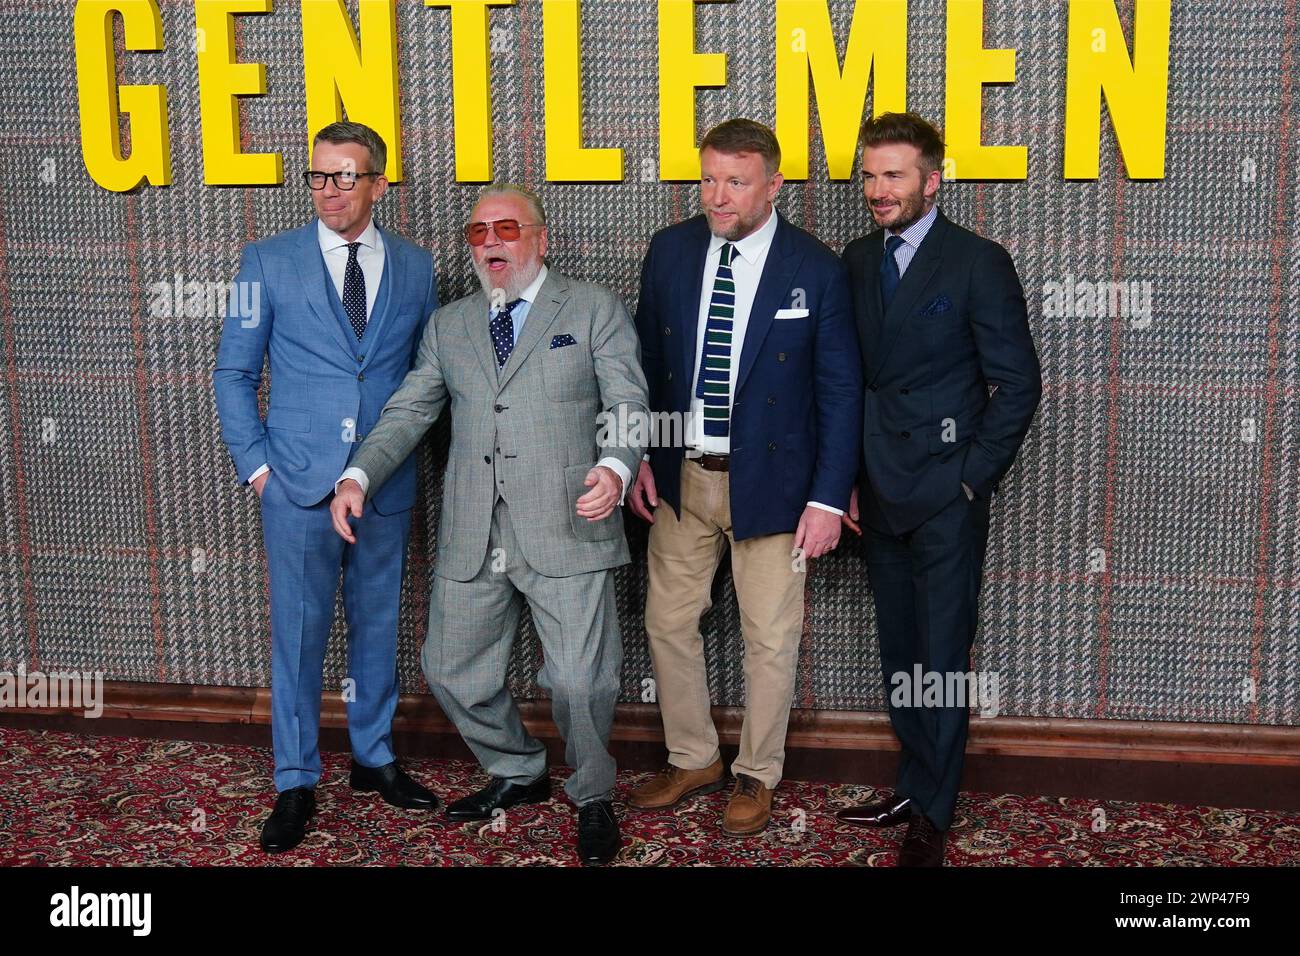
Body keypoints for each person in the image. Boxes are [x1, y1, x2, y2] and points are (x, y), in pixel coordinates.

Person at [329, 184, 648, 865]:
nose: (492, 242)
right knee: (449, 670)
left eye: (507, 228)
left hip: (569, 522)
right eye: (478, 233)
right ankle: (519, 769)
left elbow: (628, 401)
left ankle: (592, 794)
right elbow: (410, 412)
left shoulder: (593, 309)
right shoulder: (450, 326)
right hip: (475, 528)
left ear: (541, 237)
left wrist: (617, 468)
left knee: (579, 682)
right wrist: (358, 476)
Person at [627, 119, 862, 836]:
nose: (717, 196)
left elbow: (841, 391)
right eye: (708, 179)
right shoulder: (669, 251)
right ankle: (692, 755)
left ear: (773, 184)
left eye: (735, 181)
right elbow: (643, 365)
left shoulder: (816, 269)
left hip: (776, 486)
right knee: (666, 622)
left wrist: (826, 497)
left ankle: (757, 773)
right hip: (682, 474)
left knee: (769, 637)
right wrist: (638, 451)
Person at [214, 121, 441, 854]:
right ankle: (295, 779)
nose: (330, 190)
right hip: (297, 486)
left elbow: (426, 381)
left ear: (378, 184)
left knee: (378, 626)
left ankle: (374, 759)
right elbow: (233, 373)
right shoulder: (265, 262)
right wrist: (259, 470)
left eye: (347, 176)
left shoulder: (416, 266)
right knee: (300, 636)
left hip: (386, 482)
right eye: (318, 176)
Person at [835, 112, 1042, 866]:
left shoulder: (976, 261)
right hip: (876, 493)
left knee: (941, 655)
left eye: (893, 174)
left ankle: (935, 809)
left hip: (945, 496)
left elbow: (1017, 385)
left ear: (933, 178)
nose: (878, 190)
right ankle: (911, 783)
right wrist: (843, 484)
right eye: (868, 175)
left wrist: (970, 480)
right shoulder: (856, 260)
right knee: (900, 653)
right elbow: (848, 381)